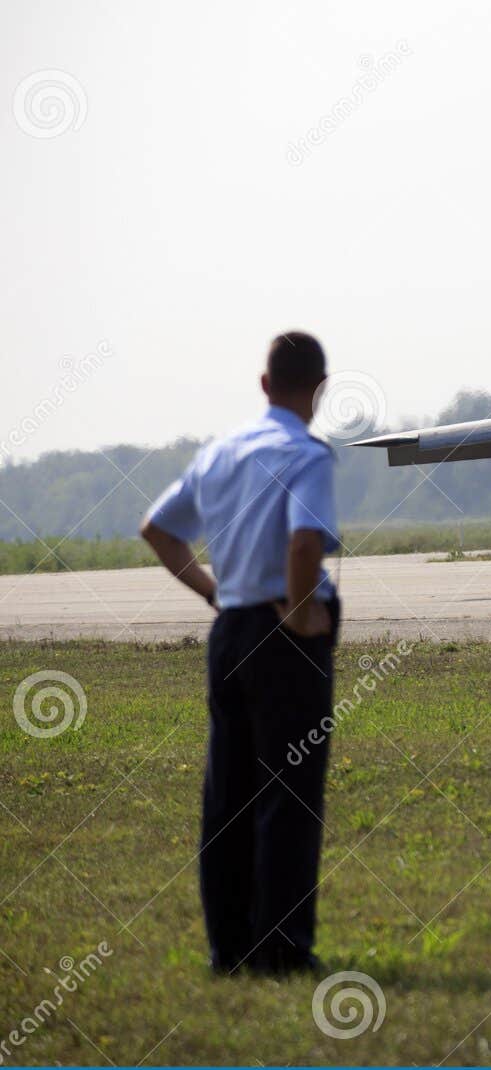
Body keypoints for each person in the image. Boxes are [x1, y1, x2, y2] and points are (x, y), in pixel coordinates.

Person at [139, 332, 342, 976]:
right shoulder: (304, 452)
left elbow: (159, 529)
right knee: (290, 792)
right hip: (284, 633)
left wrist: (214, 594)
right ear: (320, 388)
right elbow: (305, 541)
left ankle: (229, 947)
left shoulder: (221, 452)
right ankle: (281, 950)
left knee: (227, 792)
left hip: (230, 630)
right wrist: (304, 610)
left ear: (263, 384)